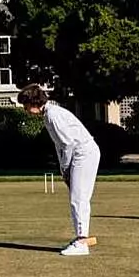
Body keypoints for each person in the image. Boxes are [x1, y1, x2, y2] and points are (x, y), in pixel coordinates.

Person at [17, 83, 100, 256]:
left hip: (83, 153)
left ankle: (81, 242)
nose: (25, 110)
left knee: (79, 198)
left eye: (25, 106)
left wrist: (66, 166)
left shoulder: (53, 115)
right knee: (77, 198)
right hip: (79, 153)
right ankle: (80, 238)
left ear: (33, 102)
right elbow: (60, 144)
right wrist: (63, 167)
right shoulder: (49, 115)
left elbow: (68, 144)